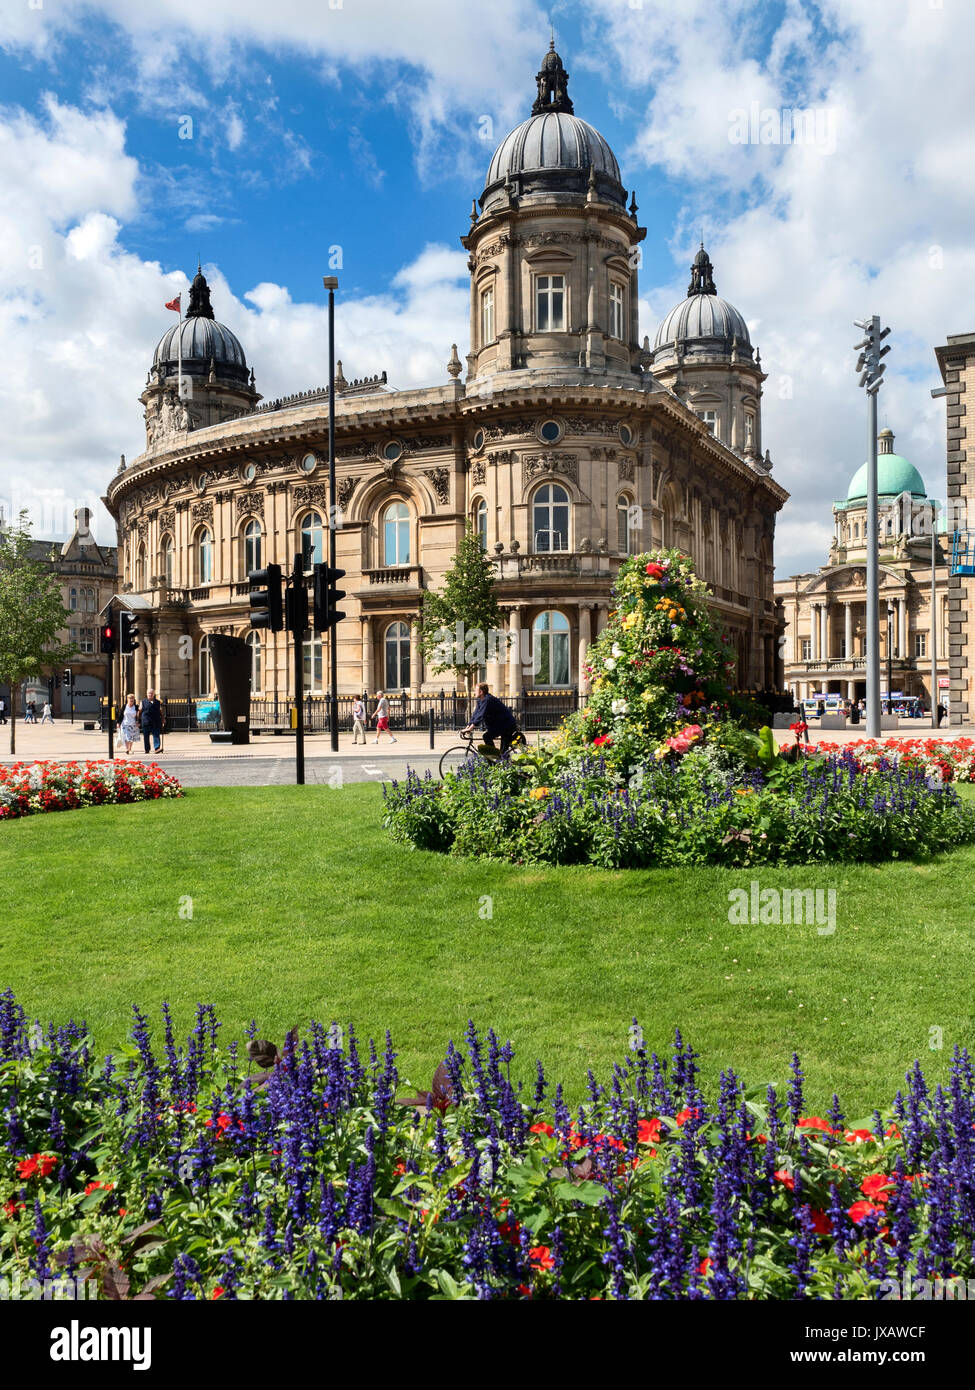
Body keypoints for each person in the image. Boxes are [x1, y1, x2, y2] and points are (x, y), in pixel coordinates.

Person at [463, 681, 522, 756]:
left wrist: (471, 728)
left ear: (481, 692)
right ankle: (496, 758)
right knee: (488, 738)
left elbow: (481, 715)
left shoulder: (487, 700)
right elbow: (476, 714)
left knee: (490, 740)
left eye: (476, 690)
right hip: (498, 725)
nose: (474, 692)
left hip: (507, 725)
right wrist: (468, 726)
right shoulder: (480, 700)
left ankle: (496, 757)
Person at [139, 688, 164, 754]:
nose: (150, 694)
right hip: (146, 721)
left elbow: (161, 712)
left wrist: (163, 720)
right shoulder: (143, 702)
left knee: (156, 735)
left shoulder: (158, 702)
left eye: (151, 693)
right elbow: (139, 711)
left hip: (155, 721)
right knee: (146, 736)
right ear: (147, 694)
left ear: (154, 694)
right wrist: (138, 720)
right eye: (149, 693)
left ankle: (157, 748)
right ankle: (147, 749)